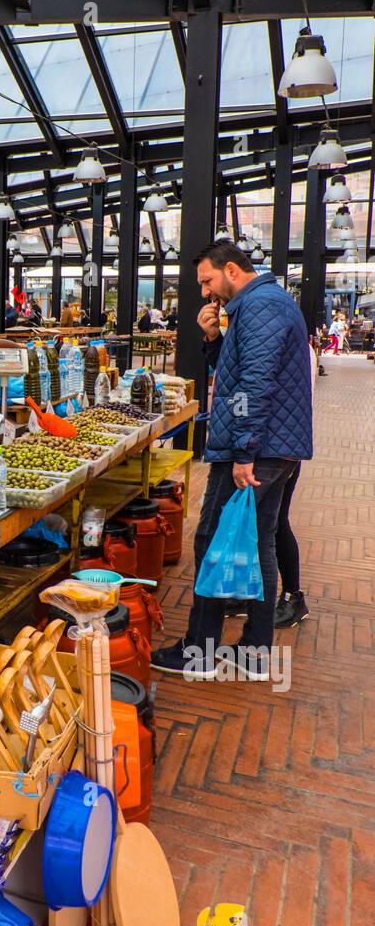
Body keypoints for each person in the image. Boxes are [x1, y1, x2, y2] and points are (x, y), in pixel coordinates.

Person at [152, 241, 313, 681]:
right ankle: (255, 651)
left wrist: (243, 451)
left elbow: (252, 387)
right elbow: (237, 370)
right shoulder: (261, 304)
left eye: (207, 280)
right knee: (258, 544)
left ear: (231, 270)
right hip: (272, 446)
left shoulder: (259, 305)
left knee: (211, 540)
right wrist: (212, 338)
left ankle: (199, 652)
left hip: (256, 451)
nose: (205, 291)